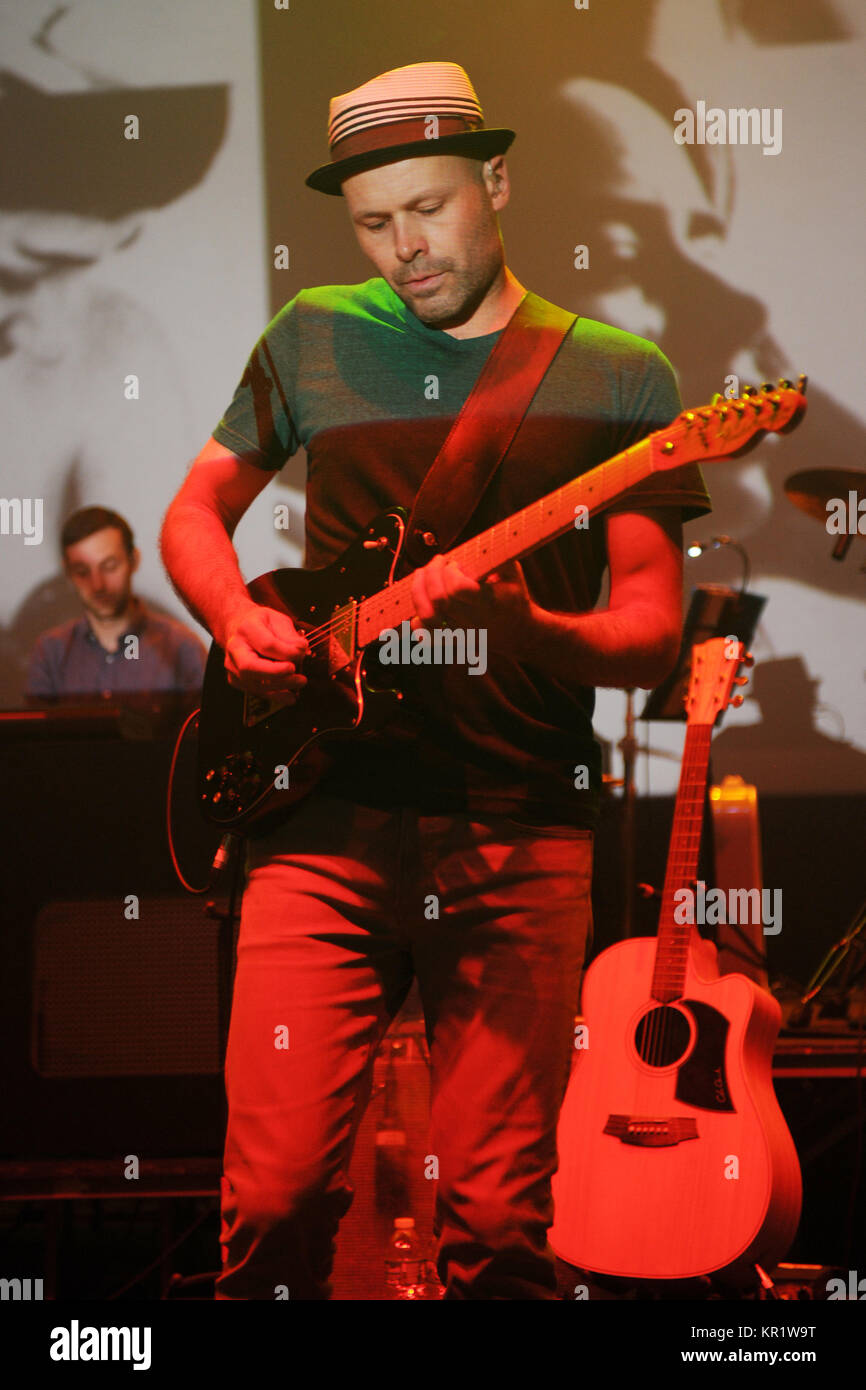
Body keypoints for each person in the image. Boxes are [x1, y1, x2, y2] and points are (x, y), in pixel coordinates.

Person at [159, 61, 711, 1300]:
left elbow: (645, 632)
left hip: (518, 826)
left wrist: (527, 631)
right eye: (373, 221)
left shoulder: (621, 374)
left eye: (431, 206)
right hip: (317, 818)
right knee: (271, 1193)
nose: (405, 246)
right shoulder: (310, 335)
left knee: (503, 1221)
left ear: (497, 183)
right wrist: (235, 611)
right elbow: (194, 513)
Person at [26, 505, 207, 699]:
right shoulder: (51, 653)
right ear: (68, 573)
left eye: (110, 566)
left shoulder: (181, 648)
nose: (98, 585)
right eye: (82, 572)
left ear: (133, 560)